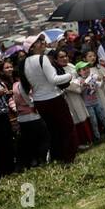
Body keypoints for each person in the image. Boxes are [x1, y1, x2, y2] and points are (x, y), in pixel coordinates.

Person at [22, 36, 77, 164]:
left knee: (53, 130)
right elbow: (53, 79)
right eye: (39, 42)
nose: (42, 43)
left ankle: (57, 157)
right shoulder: (42, 58)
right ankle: (69, 157)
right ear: (32, 47)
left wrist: (31, 103)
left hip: (39, 101)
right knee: (67, 127)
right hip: (53, 98)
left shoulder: (24, 63)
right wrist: (71, 75)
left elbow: (24, 86)